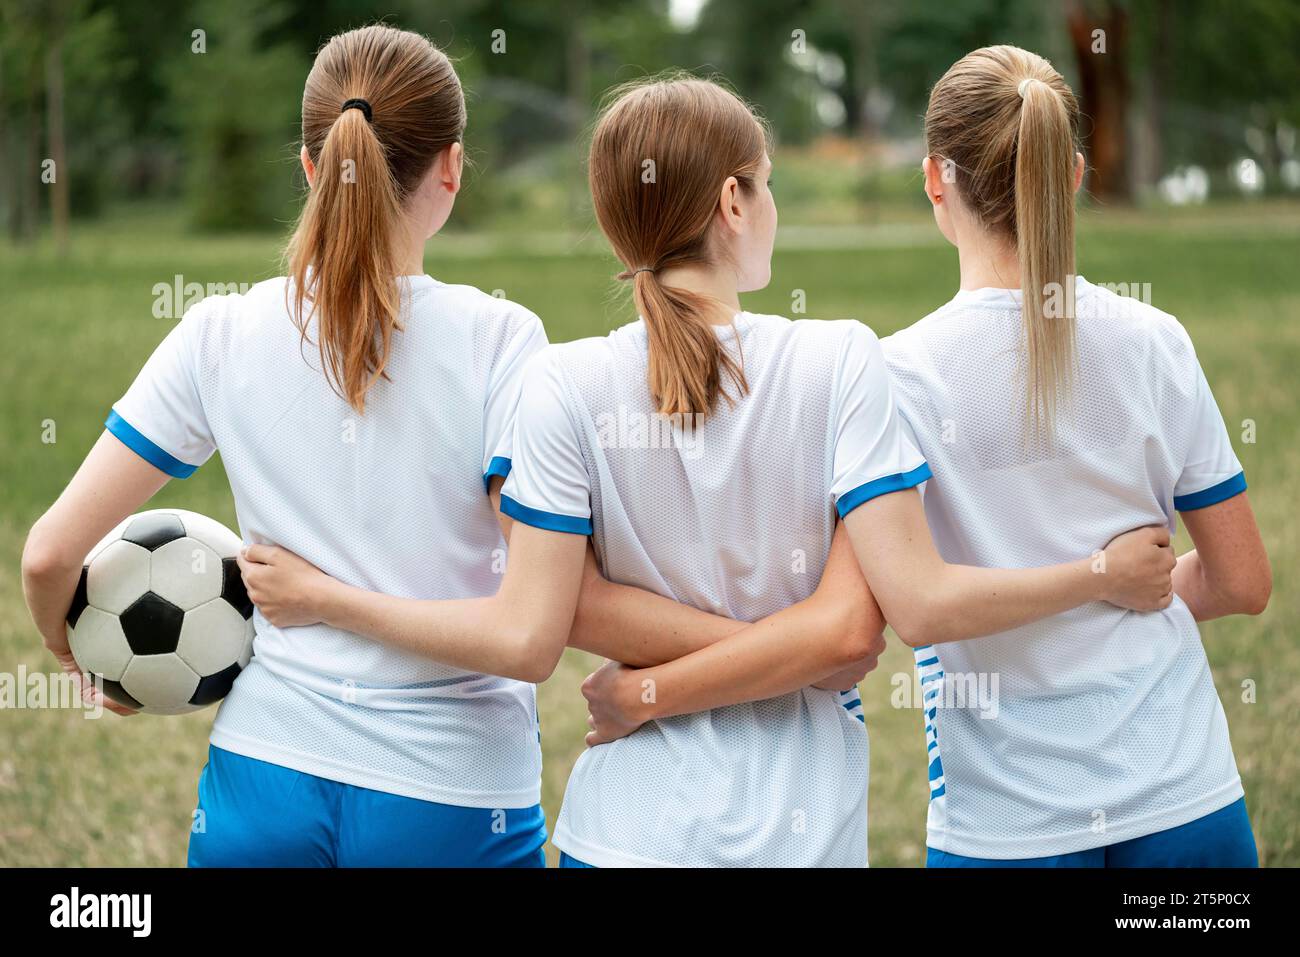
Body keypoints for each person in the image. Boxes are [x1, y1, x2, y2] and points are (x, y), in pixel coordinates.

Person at [237, 76, 1176, 867]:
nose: (770, 207)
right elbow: (846, 636)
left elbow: (571, 609)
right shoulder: (844, 360)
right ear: (733, 203)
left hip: (620, 835)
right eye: (764, 186)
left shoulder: (561, 380)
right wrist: (788, 644)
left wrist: (651, 686)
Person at [882, 45, 1271, 867]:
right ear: (1075, 175)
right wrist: (1106, 588)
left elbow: (913, 605)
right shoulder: (1155, 340)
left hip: (1009, 827)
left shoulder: (897, 375)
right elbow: (1242, 581)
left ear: (933, 179)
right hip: (1187, 799)